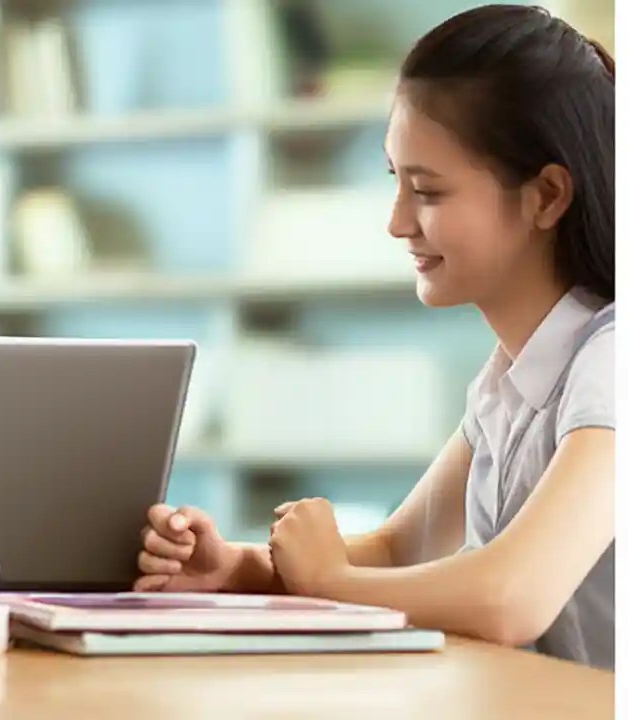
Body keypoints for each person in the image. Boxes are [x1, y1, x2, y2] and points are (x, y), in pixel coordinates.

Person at [136, 4, 615, 669]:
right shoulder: (510, 378)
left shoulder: (611, 361)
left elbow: (512, 597)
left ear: (547, 196)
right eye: (397, 181)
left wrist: (331, 582)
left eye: (428, 191)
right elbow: (400, 549)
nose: (396, 223)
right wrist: (238, 568)